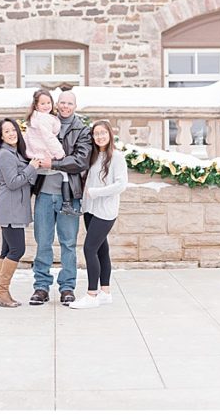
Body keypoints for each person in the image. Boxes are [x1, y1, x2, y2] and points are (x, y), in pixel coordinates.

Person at [29, 89, 93, 306]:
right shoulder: (45, 121)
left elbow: (81, 161)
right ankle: (41, 287)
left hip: (70, 195)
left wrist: (53, 164)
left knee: (68, 243)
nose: (65, 106)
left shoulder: (82, 130)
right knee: (43, 242)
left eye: (69, 103)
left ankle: (67, 287)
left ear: (75, 106)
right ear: (57, 104)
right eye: (62, 103)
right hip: (44, 193)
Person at [69, 119, 128, 309]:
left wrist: (96, 192)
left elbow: (121, 185)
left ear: (110, 134)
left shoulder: (117, 157)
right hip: (90, 210)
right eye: (96, 134)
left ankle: (91, 295)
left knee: (89, 249)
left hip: (105, 211)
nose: (100, 136)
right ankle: (105, 292)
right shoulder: (93, 157)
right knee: (102, 249)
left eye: (103, 133)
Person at [0, 118, 43, 307]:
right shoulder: (5, 155)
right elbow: (13, 182)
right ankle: (1, 291)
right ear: (1, 136)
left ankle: (0, 292)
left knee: (6, 250)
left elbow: (24, 180)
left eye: (13, 130)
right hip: (10, 208)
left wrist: (30, 169)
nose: (11, 133)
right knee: (17, 249)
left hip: (15, 208)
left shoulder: (16, 153)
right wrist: (32, 167)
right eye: (6, 131)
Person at [23, 88, 80, 216]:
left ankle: (65, 203)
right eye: (42, 104)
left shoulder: (37, 118)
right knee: (64, 173)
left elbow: (81, 161)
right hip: (42, 156)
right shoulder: (43, 119)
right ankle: (67, 204)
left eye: (48, 103)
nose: (46, 106)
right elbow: (49, 138)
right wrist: (60, 154)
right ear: (36, 105)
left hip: (37, 154)